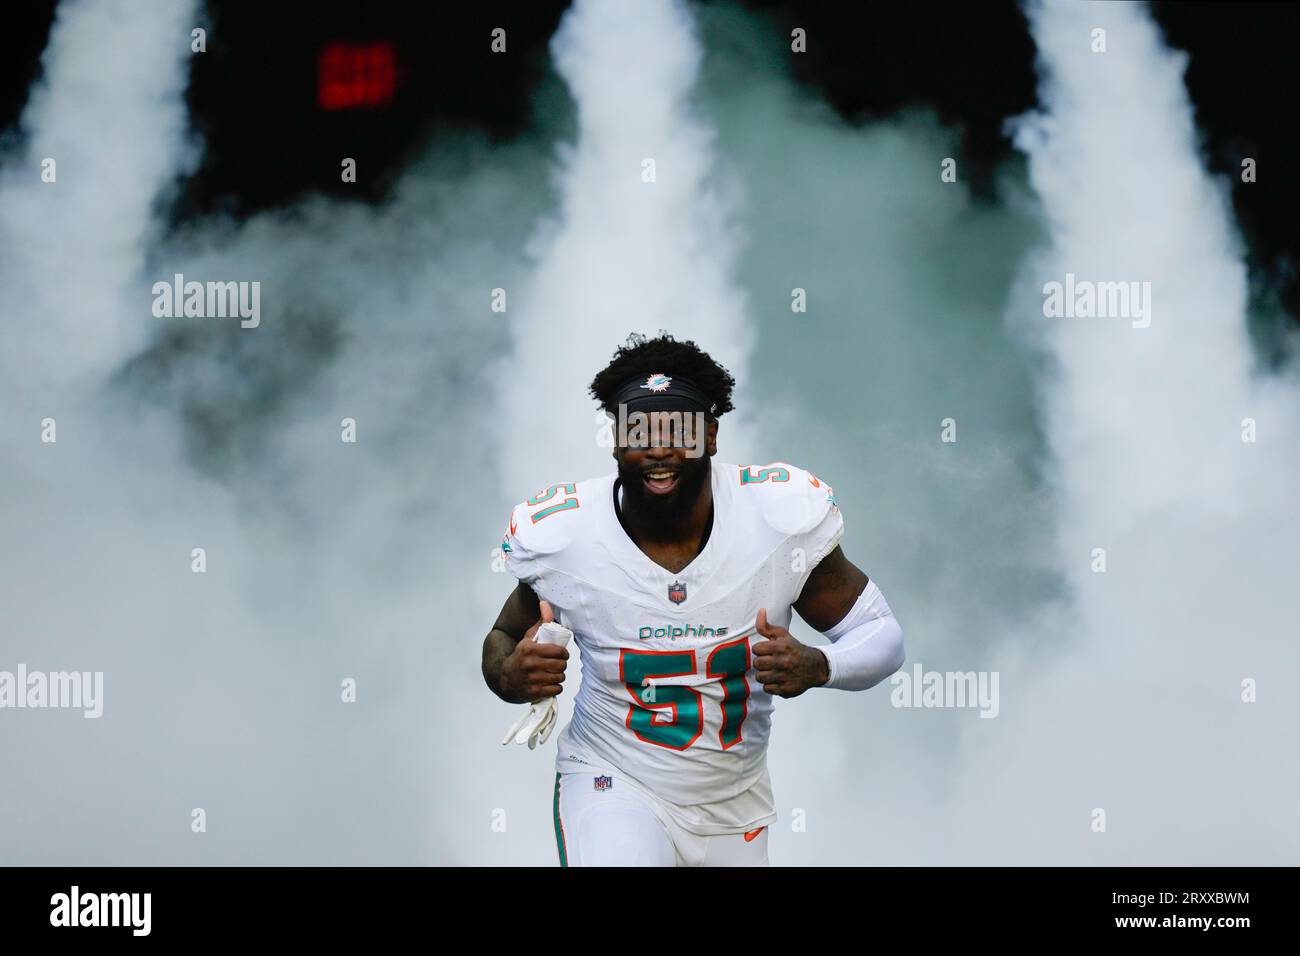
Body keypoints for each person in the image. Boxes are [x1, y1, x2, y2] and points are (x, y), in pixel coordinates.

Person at [481, 333, 904, 866]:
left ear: (711, 433)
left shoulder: (776, 521)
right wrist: (512, 675)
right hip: (613, 777)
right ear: (614, 440)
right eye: (639, 431)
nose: (659, 448)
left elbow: (883, 636)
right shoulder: (567, 538)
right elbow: (501, 639)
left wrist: (819, 665)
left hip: (734, 804)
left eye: (678, 429)